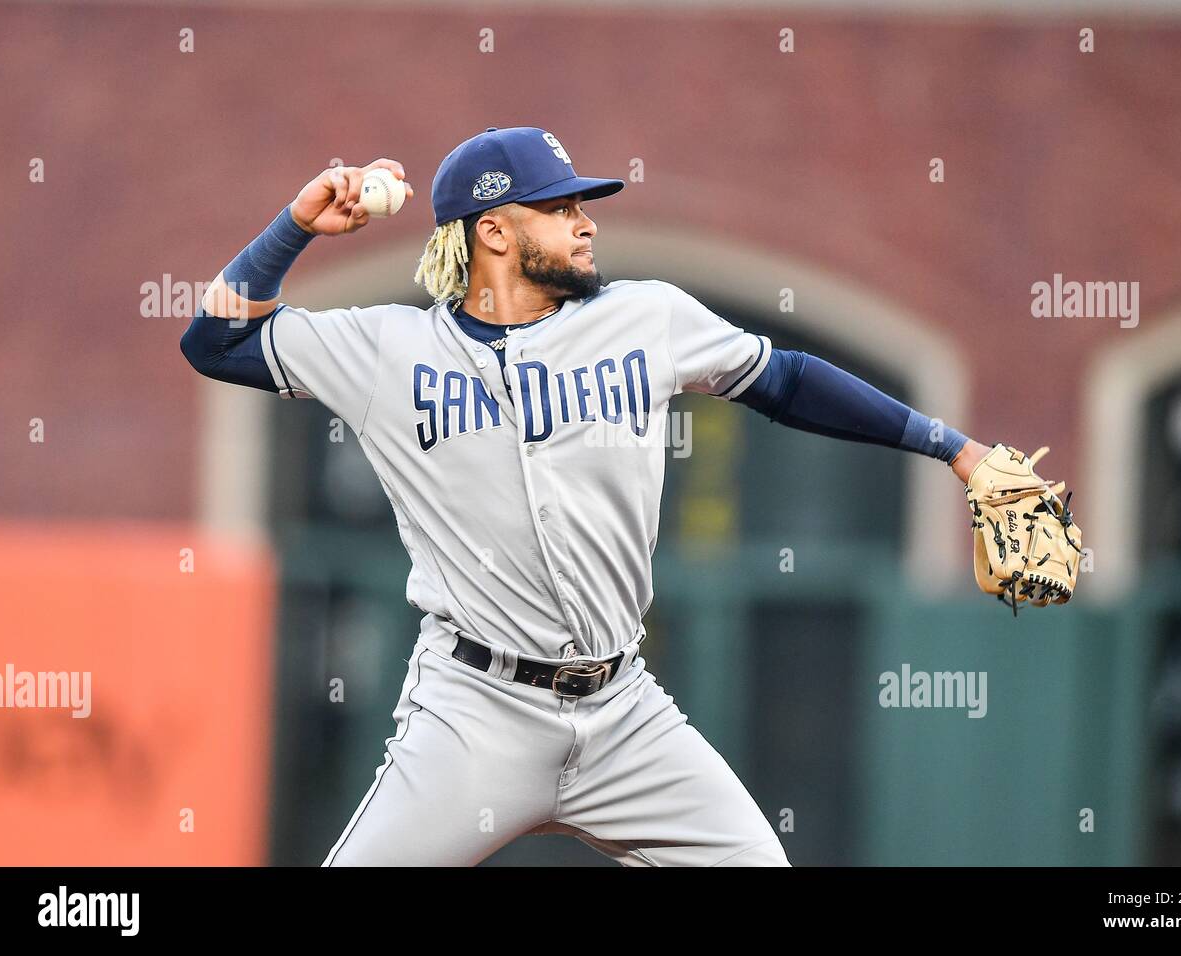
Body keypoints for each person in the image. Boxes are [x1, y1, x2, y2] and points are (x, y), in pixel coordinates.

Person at [181, 126, 989, 866]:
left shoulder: (646, 318)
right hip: (473, 711)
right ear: (493, 229)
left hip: (623, 711)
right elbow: (214, 341)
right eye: (560, 207)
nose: (586, 221)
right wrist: (295, 226)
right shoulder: (387, 349)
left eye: (582, 206)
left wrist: (955, 450)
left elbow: (787, 380)